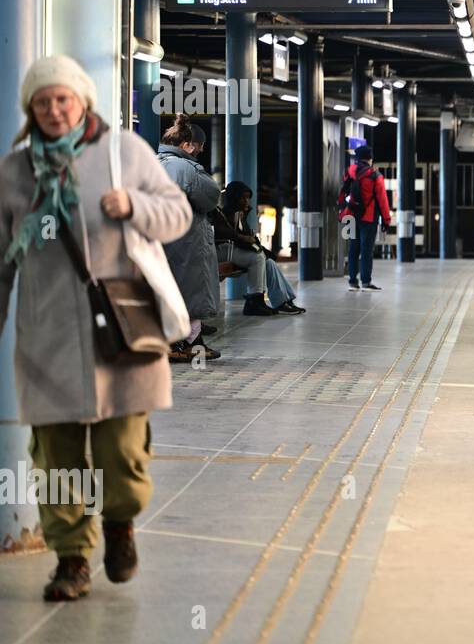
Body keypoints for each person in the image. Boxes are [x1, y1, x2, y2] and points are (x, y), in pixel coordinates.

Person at [0, 55, 192, 601]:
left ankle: (119, 525)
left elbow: (177, 213)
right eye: (43, 102)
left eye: (63, 99)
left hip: (121, 336)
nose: (54, 110)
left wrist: (133, 204)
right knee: (56, 458)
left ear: (82, 101)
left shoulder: (123, 153)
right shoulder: (14, 173)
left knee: (122, 453)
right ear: (30, 110)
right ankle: (71, 560)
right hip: (47, 340)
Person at [157, 116, 223, 358]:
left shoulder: (152, 163)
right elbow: (211, 195)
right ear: (186, 145)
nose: (200, 152)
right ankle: (185, 345)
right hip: (186, 240)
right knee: (192, 290)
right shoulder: (185, 168)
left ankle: (184, 343)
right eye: (199, 146)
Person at [213, 181, 304, 314]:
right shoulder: (225, 213)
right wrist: (248, 242)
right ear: (234, 198)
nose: (246, 201)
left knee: (269, 262)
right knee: (257, 257)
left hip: (232, 251)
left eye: (247, 198)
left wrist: (264, 250)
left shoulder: (239, 214)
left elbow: (248, 237)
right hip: (223, 251)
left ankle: (283, 301)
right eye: (242, 198)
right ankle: (254, 301)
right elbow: (230, 235)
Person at [339, 144, 391, 291]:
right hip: (368, 218)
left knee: (353, 248)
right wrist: (386, 220)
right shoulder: (375, 176)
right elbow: (382, 200)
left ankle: (352, 282)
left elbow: (343, 192)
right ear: (370, 158)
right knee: (366, 250)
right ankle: (366, 282)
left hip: (351, 216)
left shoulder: (349, 172)